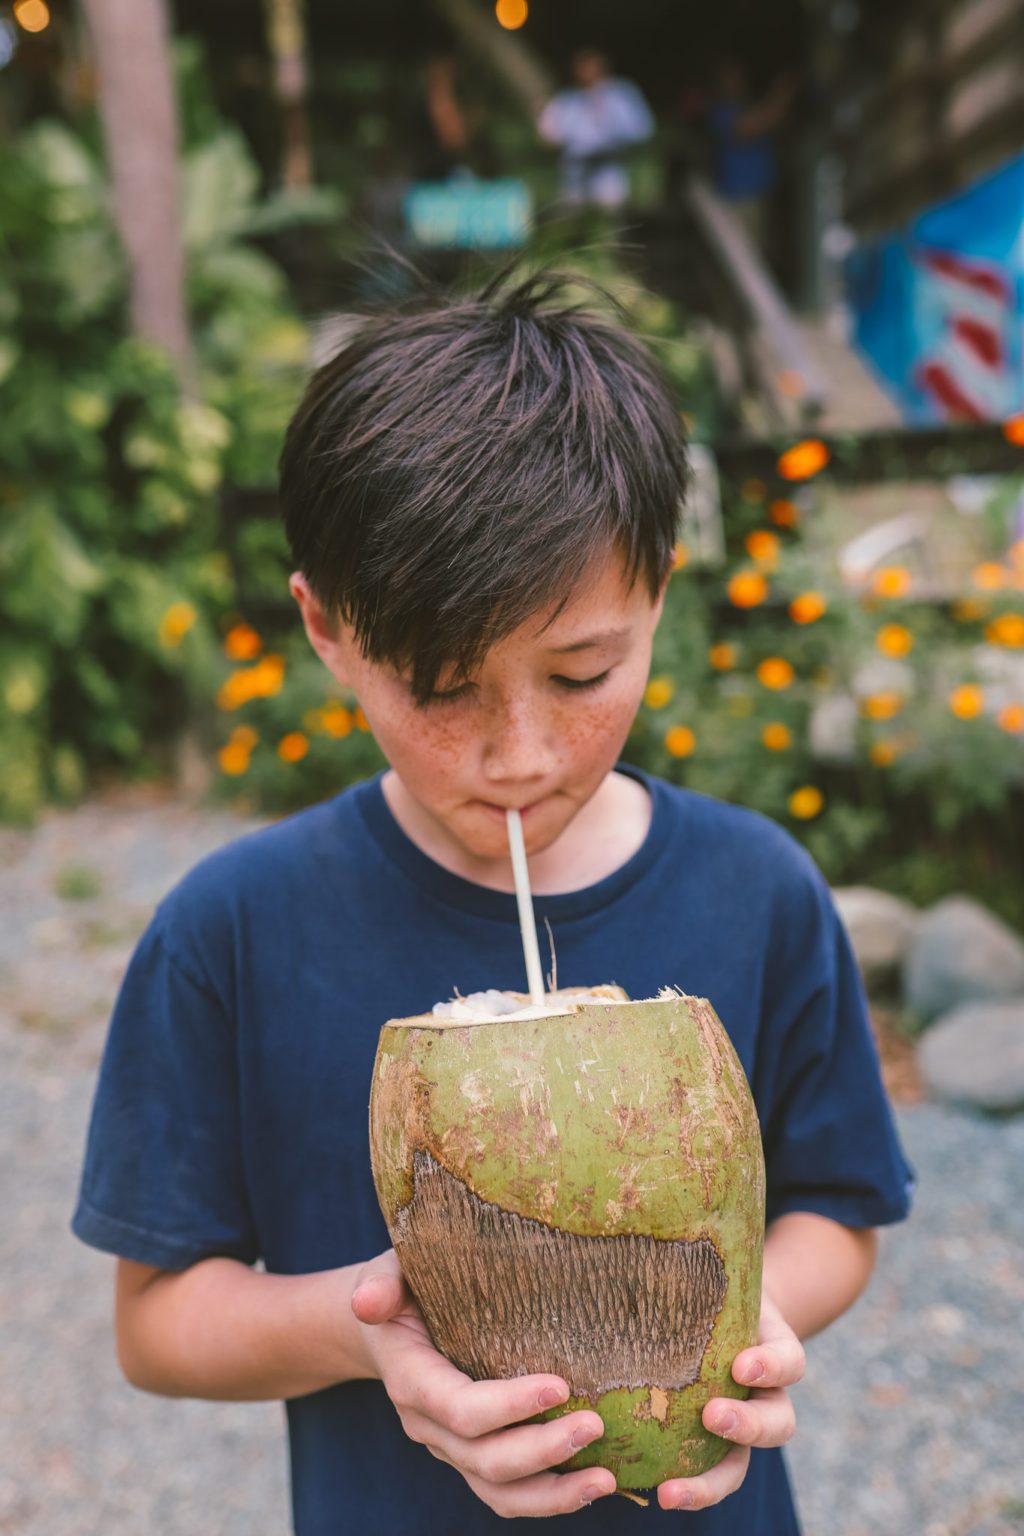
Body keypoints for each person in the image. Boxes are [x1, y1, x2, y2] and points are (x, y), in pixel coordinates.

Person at [71, 270, 916, 1534]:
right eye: (439, 685)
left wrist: (751, 1313)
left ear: (659, 595)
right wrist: (371, 1333)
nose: (518, 755)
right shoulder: (231, 930)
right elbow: (157, 1321)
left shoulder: (759, 891)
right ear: (324, 628)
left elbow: (838, 1211)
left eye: (581, 671)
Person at [538, 49, 654, 210]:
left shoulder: (622, 95)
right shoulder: (567, 101)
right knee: (575, 223)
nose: (586, 73)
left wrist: (613, 141)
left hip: (609, 174)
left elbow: (642, 129)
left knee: (609, 222)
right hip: (575, 176)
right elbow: (550, 135)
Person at [707, 57, 795, 255]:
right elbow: (753, 126)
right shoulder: (721, 112)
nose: (735, 81)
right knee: (745, 255)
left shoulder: (746, 107)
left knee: (762, 252)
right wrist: (782, 92)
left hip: (762, 195)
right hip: (740, 199)